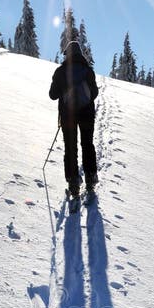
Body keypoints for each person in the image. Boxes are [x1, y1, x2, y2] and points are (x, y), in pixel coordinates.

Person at [49, 40, 99, 198]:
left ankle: (73, 182)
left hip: (68, 115)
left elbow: (52, 95)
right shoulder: (88, 71)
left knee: (70, 147)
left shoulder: (60, 71)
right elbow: (95, 93)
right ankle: (91, 178)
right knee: (87, 144)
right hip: (87, 114)